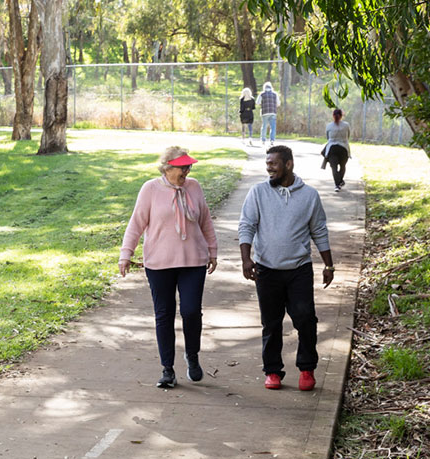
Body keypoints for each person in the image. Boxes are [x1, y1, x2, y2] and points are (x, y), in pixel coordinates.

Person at [120, 147, 218, 389]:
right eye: (182, 167)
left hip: (193, 261)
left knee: (191, 311)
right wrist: (126, 254)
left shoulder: (194, 187)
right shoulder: (150, 189)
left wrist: (213, 252)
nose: (187, 171)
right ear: (167, 168)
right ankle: (167, 369)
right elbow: (136, 223)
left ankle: (192, 356)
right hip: (159, 263)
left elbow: (205, 220)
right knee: (163, 315)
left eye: (189, 167)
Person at [238, 145, 335, 391]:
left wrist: (329, 264)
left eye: (274, 164)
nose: (268, 168)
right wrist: (246, 259)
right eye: (267, 163)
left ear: (288, 164)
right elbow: (247, 225)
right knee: (271, 323)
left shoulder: (310, 196)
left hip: (298, 269)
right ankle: (272, 371)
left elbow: (319, 231)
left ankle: (306, 369)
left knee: (305, 319)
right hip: (266, 270)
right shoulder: (258, 192)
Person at [323, 109, 351, 191]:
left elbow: (328, 137)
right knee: (342, 166)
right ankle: (340, 181)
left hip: (332, 148)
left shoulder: (329, 126)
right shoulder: (346, 125)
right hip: (343, 148)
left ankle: (337, 184)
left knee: (334, 168)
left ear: (333, 116)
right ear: (341, 116)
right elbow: (348, 136)